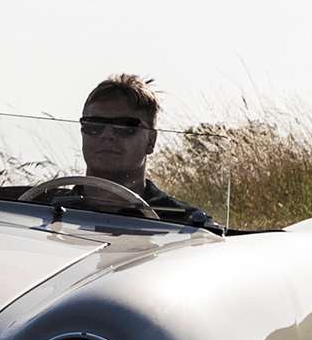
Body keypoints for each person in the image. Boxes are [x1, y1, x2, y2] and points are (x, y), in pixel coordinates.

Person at [78, 74, 217, 230]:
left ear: (151, 140)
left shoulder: (184, 223)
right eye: (94, 125)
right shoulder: (49, 205)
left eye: (125, 127)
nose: (107, 135)